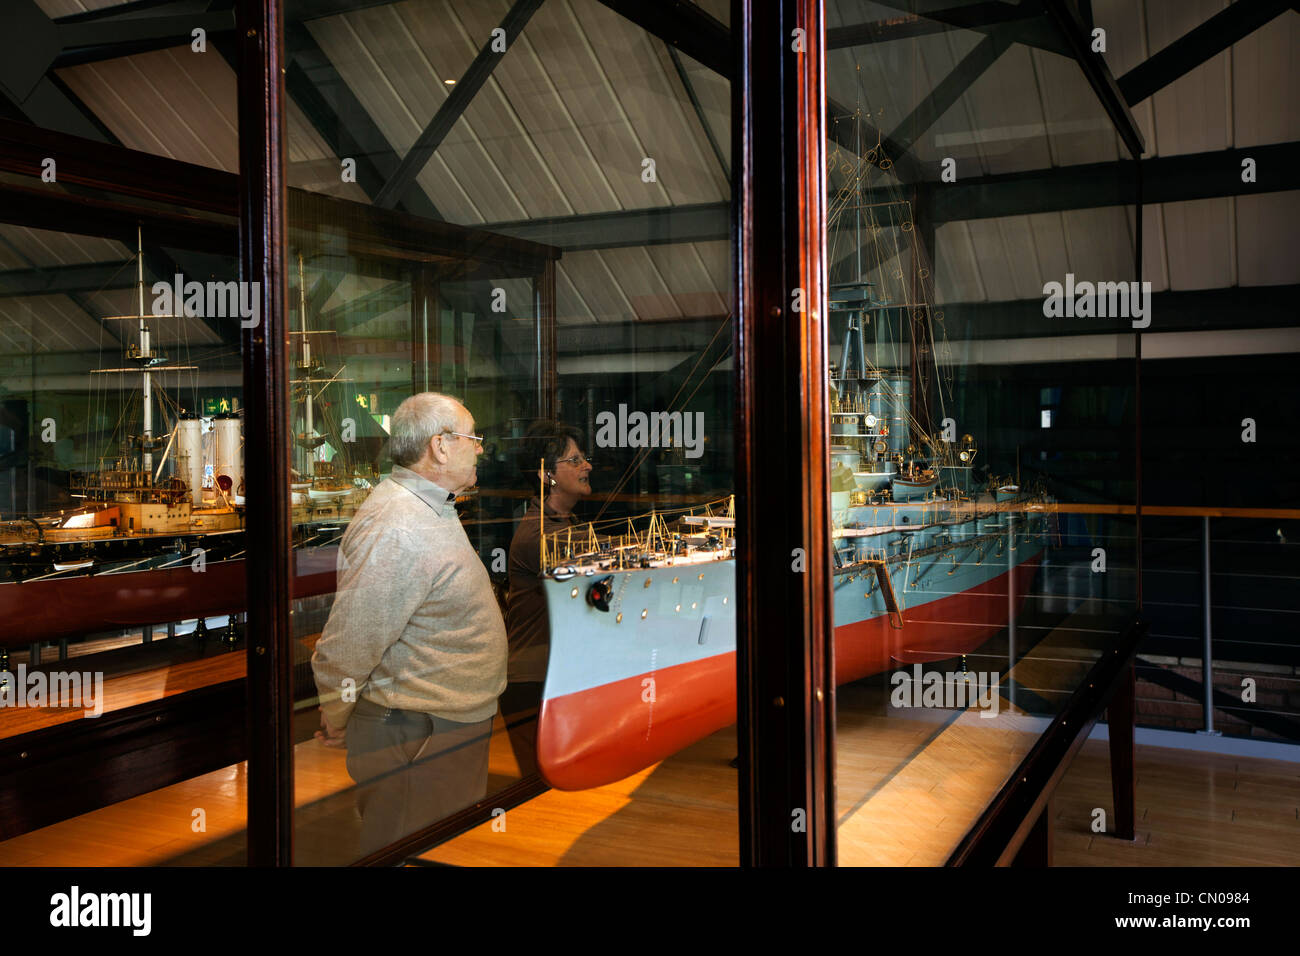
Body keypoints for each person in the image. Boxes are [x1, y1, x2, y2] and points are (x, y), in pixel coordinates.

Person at [311, 392, 506, 857]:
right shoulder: (399, 524)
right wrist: (337, 713)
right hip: (415, 730)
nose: (480, 448)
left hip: (438, 723)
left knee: (440, 850)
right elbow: (352, 640)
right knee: (404, 850)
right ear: (440, 446)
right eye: (473, 438)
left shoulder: (431, 506)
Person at [502, 420, 593, 776]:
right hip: (532, 681)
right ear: (546, 476)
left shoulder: (562, 525)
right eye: (574, 460)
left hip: (550, 675)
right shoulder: (541, 535)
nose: (586, 466)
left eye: (584, 458)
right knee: (542, 793)